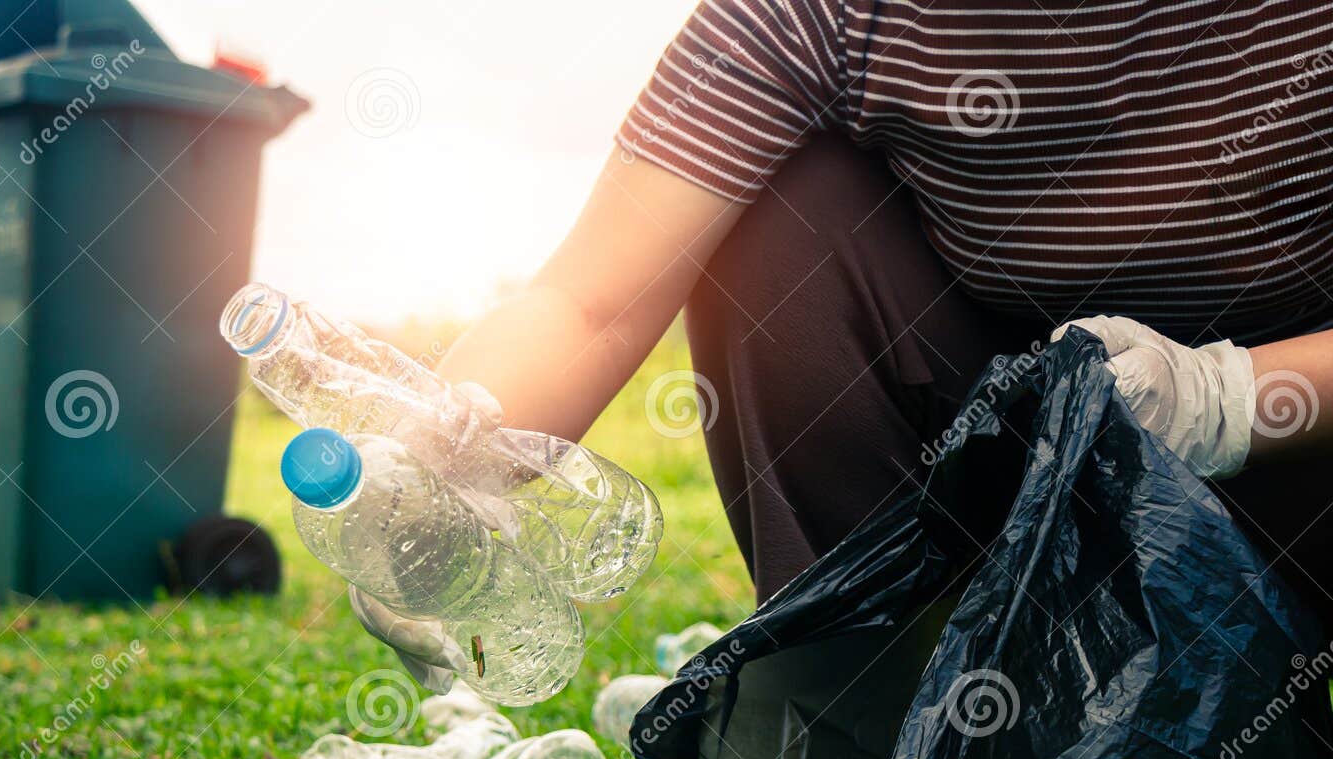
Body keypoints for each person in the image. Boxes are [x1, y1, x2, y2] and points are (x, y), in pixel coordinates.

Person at [384, 2, 1333, 675]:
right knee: (781, 218)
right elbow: (590, 299)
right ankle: (880, 694)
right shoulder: (819, 14)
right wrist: (431, 464)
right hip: (1017, 481)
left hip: (1301, 476)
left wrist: (1233, 399)